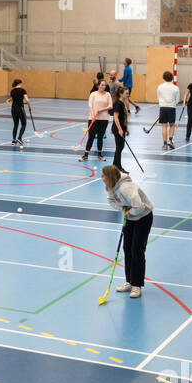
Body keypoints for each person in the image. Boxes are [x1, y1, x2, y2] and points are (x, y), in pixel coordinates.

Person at [102, 164, 154, 299]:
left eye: (103, 176)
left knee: (137, 250)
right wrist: (123, 209)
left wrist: (130, 211)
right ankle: (129, 281)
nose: (101, 178)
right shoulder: (111, 187)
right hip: (130, 217)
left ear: (111, 177)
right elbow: (111, 200)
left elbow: (140, 206)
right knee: (127, 248)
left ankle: (137, 285)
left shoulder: (126, 188)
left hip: (143, 216)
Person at [80, 80, 112, 162]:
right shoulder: (93, 94)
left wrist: (102, 109)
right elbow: (90, 105)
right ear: (98, 85)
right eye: (102, 85)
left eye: (105, 85)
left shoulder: (107, 94)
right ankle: (86, 155)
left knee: (100, 137)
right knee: (91, 137)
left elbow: (110, 106)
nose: (103, 86)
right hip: (93, 119)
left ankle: (99, 155)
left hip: (104, 119)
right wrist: (93, 114)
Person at [156, 70, 180, 149]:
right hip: (171, 108)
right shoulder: (175, 88)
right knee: (172, 125)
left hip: (163, 107)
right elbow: (177, 100)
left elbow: (158, 97)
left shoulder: (160, 87)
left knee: (164, 126)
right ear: (172, 78)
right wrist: (172, 104)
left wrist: (163, 104)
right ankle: (170, 140)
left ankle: (165, 144)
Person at [109, 85, 130, 173]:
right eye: (126, 93)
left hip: (122, 128)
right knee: (119, 147)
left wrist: (126, 128)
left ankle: (116, 166)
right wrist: (120, 129)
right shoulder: (118, 103)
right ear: (121, 94)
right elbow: (116, 117)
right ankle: (117, 167)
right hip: (118, 129)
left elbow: (124, 117)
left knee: (120, 147)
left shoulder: (122, 103)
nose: (128, 95)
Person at [9, 78, 30, 146]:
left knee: (15, 124)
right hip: (20, 109)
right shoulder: (22, 90)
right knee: (24, 124)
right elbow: (27, 100)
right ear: (20, 83)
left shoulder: (12, 91)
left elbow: (12, 99)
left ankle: (14, 140)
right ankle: (19, 138)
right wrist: (26, 102)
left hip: (13, 109)